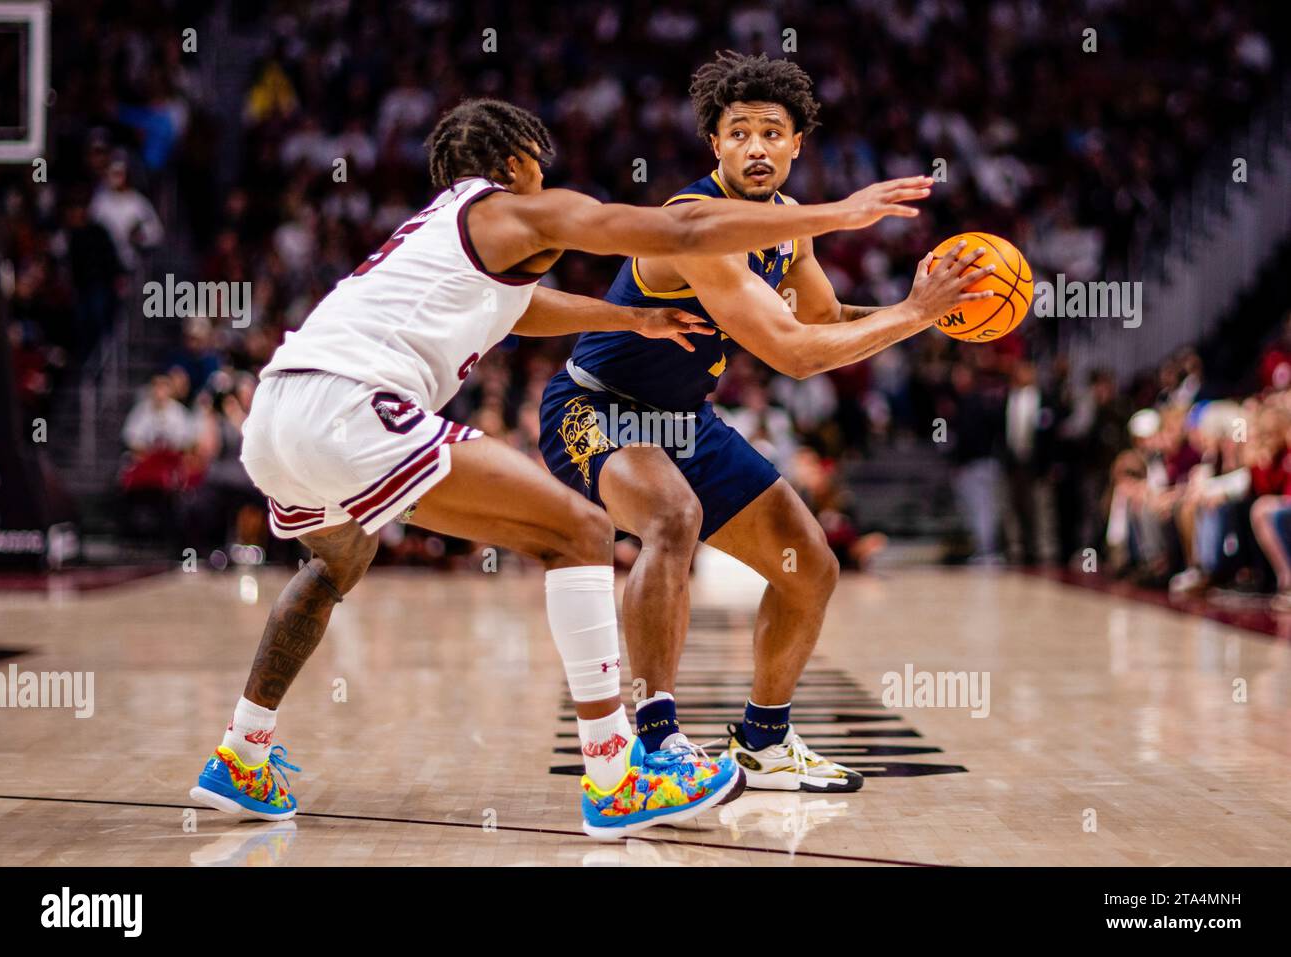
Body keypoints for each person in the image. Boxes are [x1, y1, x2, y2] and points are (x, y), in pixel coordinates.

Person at [189, 97, 935, 838]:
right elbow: (684, 230)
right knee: (580, 531)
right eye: (539, 167)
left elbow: (521, 308)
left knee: (332, 567)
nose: (547, 181)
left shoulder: (446, 235)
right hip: (377, 407)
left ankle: (241, 751)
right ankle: (618, 773)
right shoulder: (515, 208)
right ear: (516, 163)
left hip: (279, 411)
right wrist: (843, 213)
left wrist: (631, 317)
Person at [538, 53, 992, 792]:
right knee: (670, 517)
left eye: (771, 132)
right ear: (713, 146)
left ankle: (764, 742)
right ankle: (654, 741)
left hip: (685, 420)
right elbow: (794, 354)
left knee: (809, 567)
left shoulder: (787, 225)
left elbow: (824, 318)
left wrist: (925, 314)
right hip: (595, 408)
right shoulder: (694, 222)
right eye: (738, 132)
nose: (755, 146)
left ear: (795, 146)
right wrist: (913, 316)